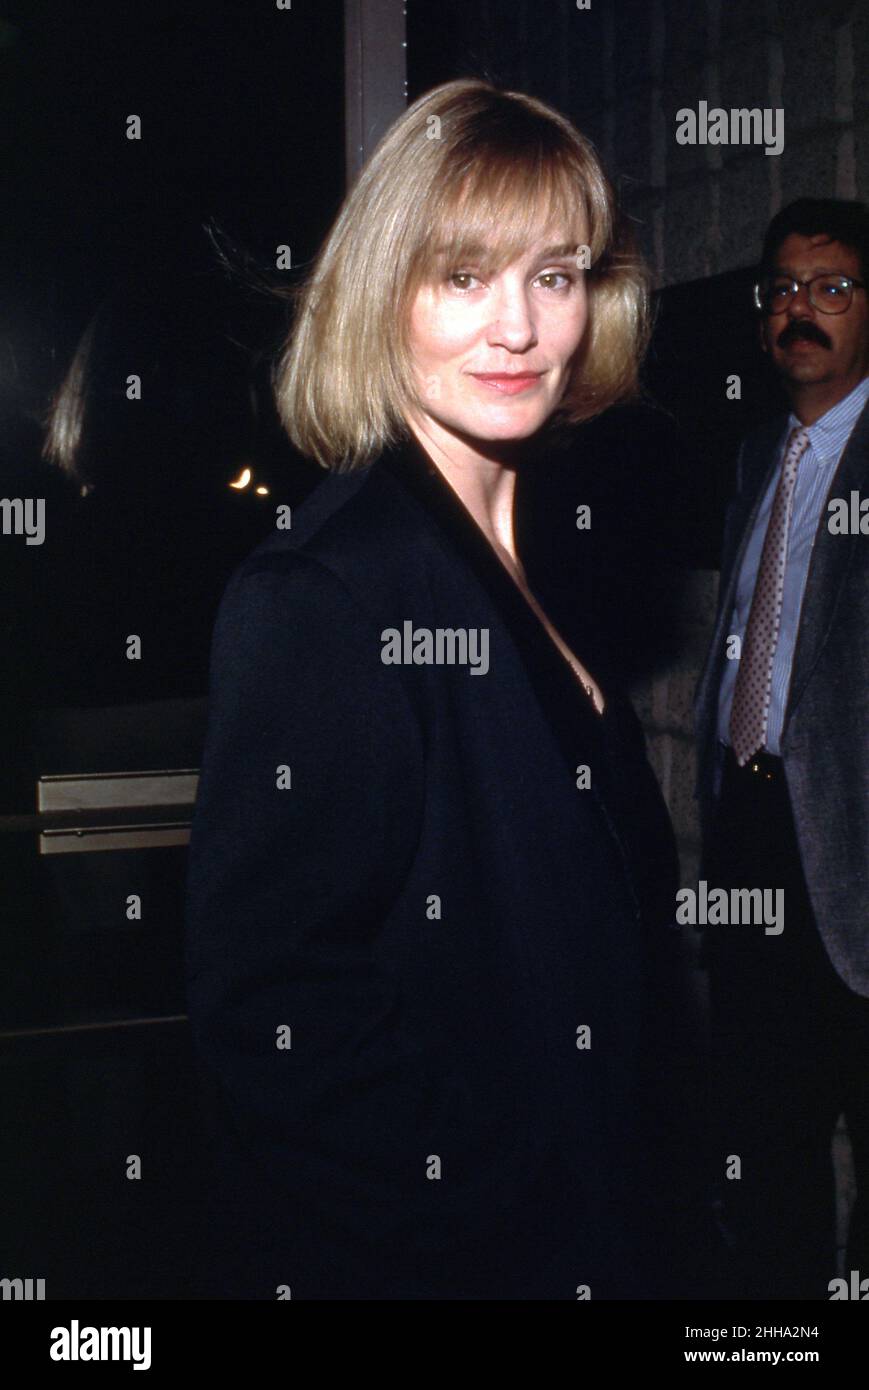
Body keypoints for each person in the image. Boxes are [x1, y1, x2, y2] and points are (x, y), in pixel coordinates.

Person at [184, 78, 684, 1300]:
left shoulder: (539, 559)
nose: (515, 328)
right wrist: (505, 1224)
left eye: (552, 275)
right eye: (461, 276)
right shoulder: (328, 592)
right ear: (381, 294)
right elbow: (276, 1022)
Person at [695, 198, 869, 1300]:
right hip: (753, 837)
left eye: (831, 288)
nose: (797, 310)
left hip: (853, 856)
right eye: (780, 291)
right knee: (765, 1136)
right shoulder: (756, 452)